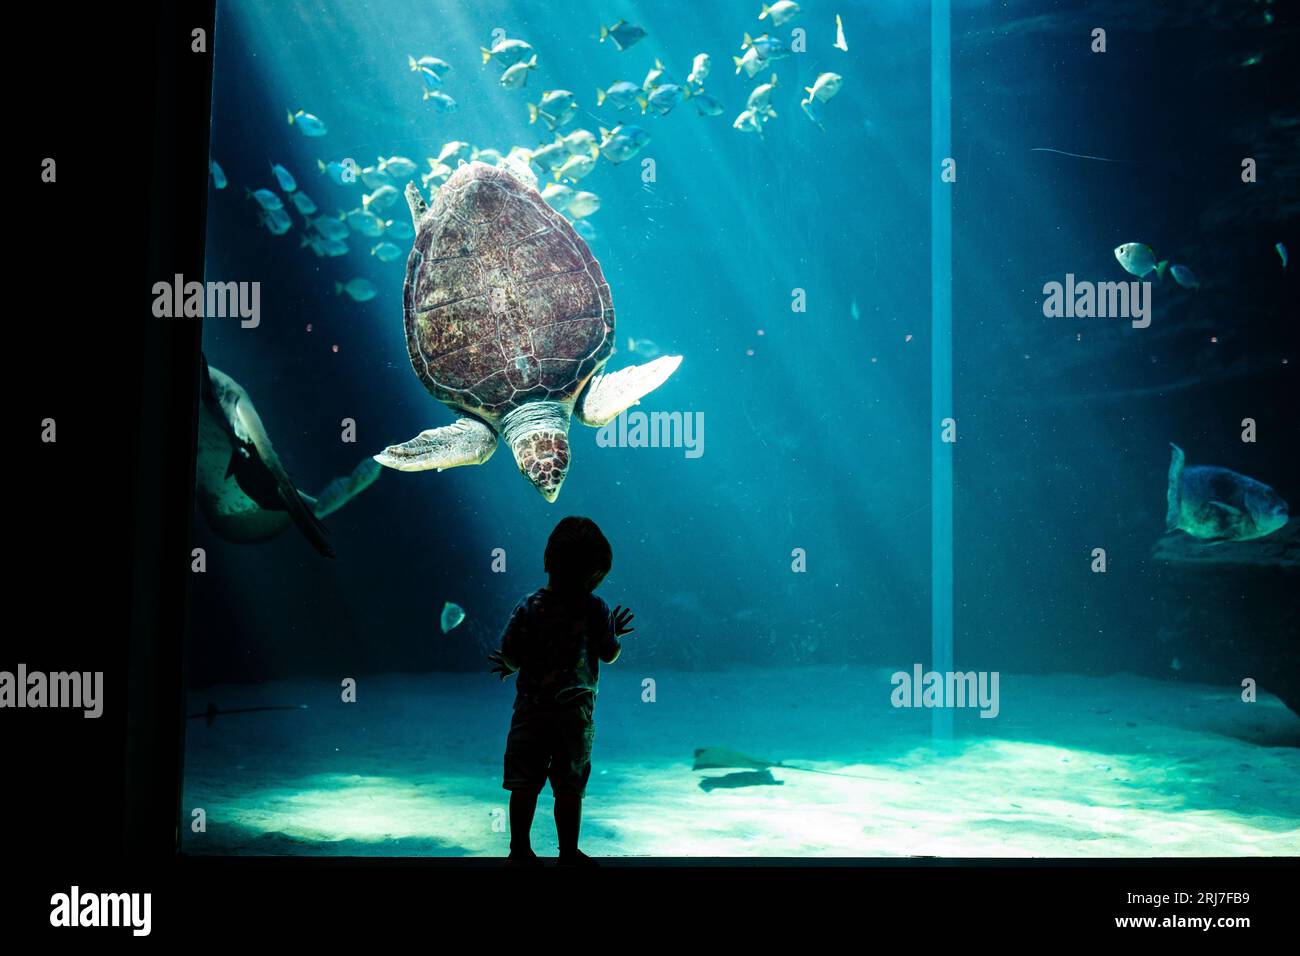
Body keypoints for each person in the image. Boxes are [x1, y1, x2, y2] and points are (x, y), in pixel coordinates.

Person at [488, 516, 635, 866]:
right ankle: (568, 853)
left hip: (531, 713)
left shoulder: (530, 605)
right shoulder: (594, 607)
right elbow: (609, 654)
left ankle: (519, 850)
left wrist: (510, 665)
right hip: (574, 717)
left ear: (549, 561)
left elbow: (510, 651)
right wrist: (615, 635)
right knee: (570, 786)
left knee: (524, 782)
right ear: (594, 572)